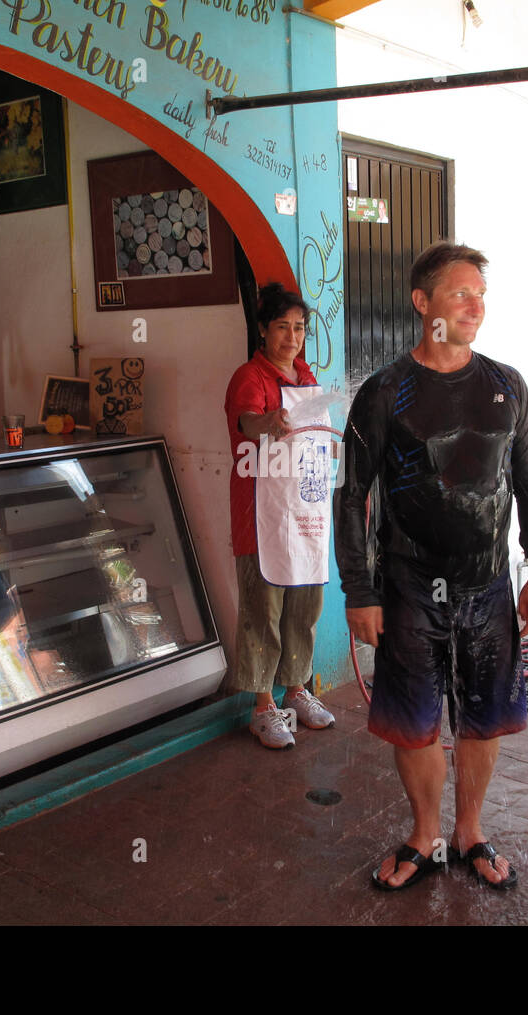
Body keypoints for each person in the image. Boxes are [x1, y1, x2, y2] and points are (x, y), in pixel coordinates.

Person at [334, 242, 528, 891]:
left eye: (480, 293)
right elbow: (351, 496)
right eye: (460, 292)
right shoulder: (382, 394)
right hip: (406, 585)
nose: (475, 305)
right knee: (415, 719)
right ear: (422, 302)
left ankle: (470, 831)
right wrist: (358, 588)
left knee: (484, 714)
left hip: (487, 583)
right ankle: (424, 834)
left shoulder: (507, 386)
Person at [223, 282, 336, 750]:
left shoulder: (304, 373)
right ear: (263, 331)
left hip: (305, 511)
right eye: (283, 328)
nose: (292, 338)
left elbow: (315, 427)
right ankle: (263, 707)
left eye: (300, 328)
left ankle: (296, 691)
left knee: (303, 604)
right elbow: (248, 422)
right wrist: (268, 423)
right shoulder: (250, 378)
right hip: (261, 514)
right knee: (263, 608)